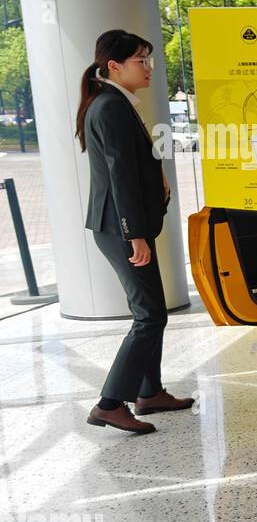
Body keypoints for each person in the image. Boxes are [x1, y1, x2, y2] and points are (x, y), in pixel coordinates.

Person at [78, 29, 193, 434]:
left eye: (149, 60)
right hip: (121, 227)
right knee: (149, 315)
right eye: (140, 61)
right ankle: (110, 402)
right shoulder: (109, 107)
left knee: (152, 311)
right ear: (114, 66)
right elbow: (120, 176)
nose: (148, 68)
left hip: (127, 225)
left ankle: (149, 392)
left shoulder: (115, 102)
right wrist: (134, 235)